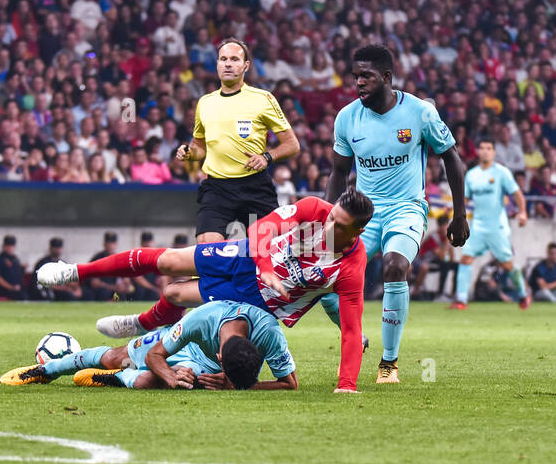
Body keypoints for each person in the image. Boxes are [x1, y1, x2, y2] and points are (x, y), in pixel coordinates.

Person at [39, 191, 373, 392]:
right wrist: (267, 269)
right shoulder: (313, 208)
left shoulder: (351, 267)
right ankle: (74, 271)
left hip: (256, 303)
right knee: (168, 260)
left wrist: (346, 385)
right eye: (331, 218)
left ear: (358, 231)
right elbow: (261, 228)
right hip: (247, 256)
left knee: (174, 295)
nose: (330, 226)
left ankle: (142, 327)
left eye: (340, 226)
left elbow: (351, 329)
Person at [324, 44, 469, 383]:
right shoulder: (347, 118)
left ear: (386, 78)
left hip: (407, 208)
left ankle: (388, 363)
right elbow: (337, 172)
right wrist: (329, 219)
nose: (359, 83)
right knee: (323, 275)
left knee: (395, 267)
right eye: (356, 76)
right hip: (364, 213)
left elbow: (452, 158)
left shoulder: (419, 112)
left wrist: (458, 213)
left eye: (367, 77)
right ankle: (358, 339)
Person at [0, 300, 297, 391]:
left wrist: (240, 386)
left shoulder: (270, 334)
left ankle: (114, 379)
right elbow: (157, 354)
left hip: (200, 362)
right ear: (220, 357)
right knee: (116, 356)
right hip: (177, 339)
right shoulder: (201, 318)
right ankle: (46, 369)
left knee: (144, 381)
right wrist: (169, 373)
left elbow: (290, 384)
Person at [174, 38, 300, 243]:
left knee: (268, 252)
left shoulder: (263, 98)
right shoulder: (205, 103)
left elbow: (292, 145)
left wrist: (267, 157)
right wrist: (188, 153)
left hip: (254, 186)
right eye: (223, 59)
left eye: (234, 59)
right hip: (217, 188)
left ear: (246, 66)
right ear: (217, 64)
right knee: (208, 250)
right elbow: (199, 147)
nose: (228, 64)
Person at [450, 138, 529, 310]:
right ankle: (461, 300)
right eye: (482, 148)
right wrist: (456, 216)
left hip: (497, 227)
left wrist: (522, 212)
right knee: (465, 259)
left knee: (507, 264)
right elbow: (465, 199)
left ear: (493, 152)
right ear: (478, 152)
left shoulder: (502, 173)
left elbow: (516, 194)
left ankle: (523, 294)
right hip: (478, 226)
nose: (485, 151)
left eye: (489, 148)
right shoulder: (472, 175)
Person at [82, 231, 135, 302]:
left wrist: (126, 285)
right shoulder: (98, 258)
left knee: (129, 292)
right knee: (104, 292)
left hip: (114, 289)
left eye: (112, 243)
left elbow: (126, 279)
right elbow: (94, 283)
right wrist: (113, 287)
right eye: (108, 243)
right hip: (102, 289)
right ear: (104, 244)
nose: (110, 246)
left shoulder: (119, 258)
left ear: (116, 244)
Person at [30, 237, 82, 301]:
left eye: (59, 248)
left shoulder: (63, 264)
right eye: (56, 248)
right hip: (48, 290)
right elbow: (43, 283)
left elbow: (72, 281)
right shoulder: (43, 263)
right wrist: (64, 288)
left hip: (62, 289)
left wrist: (75, 288)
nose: (57, 250)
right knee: (67, 295)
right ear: (51, 248)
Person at [0, 234, 25, 300]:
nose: (10, 248)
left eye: (12, 246)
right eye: (8, 246)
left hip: (18, 291)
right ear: (3, 246)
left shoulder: (15, 259)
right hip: (5, 292)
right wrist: (11, 287)